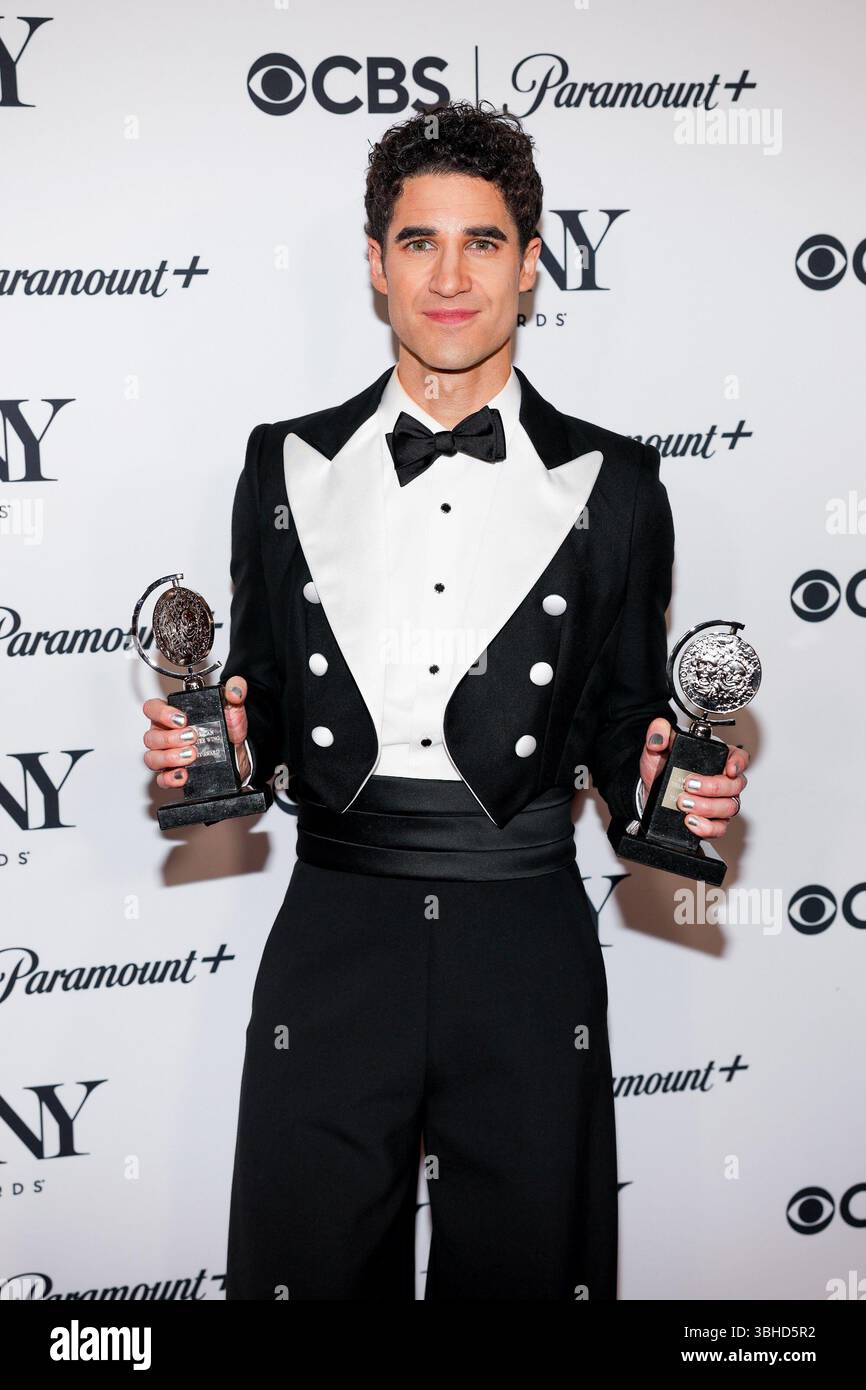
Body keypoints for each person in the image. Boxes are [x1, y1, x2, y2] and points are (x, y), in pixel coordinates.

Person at [142, 100, 750, 1300]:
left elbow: (628, 712)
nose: (451, 275)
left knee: (529, 1276)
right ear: (376, 265)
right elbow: (255, 703)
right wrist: (201, 748)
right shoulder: (283, 462)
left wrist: (674, 792)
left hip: (522, 933)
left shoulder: (616, 481)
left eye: (482, 241)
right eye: (419, 241)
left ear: (531, 264)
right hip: (336, 929)